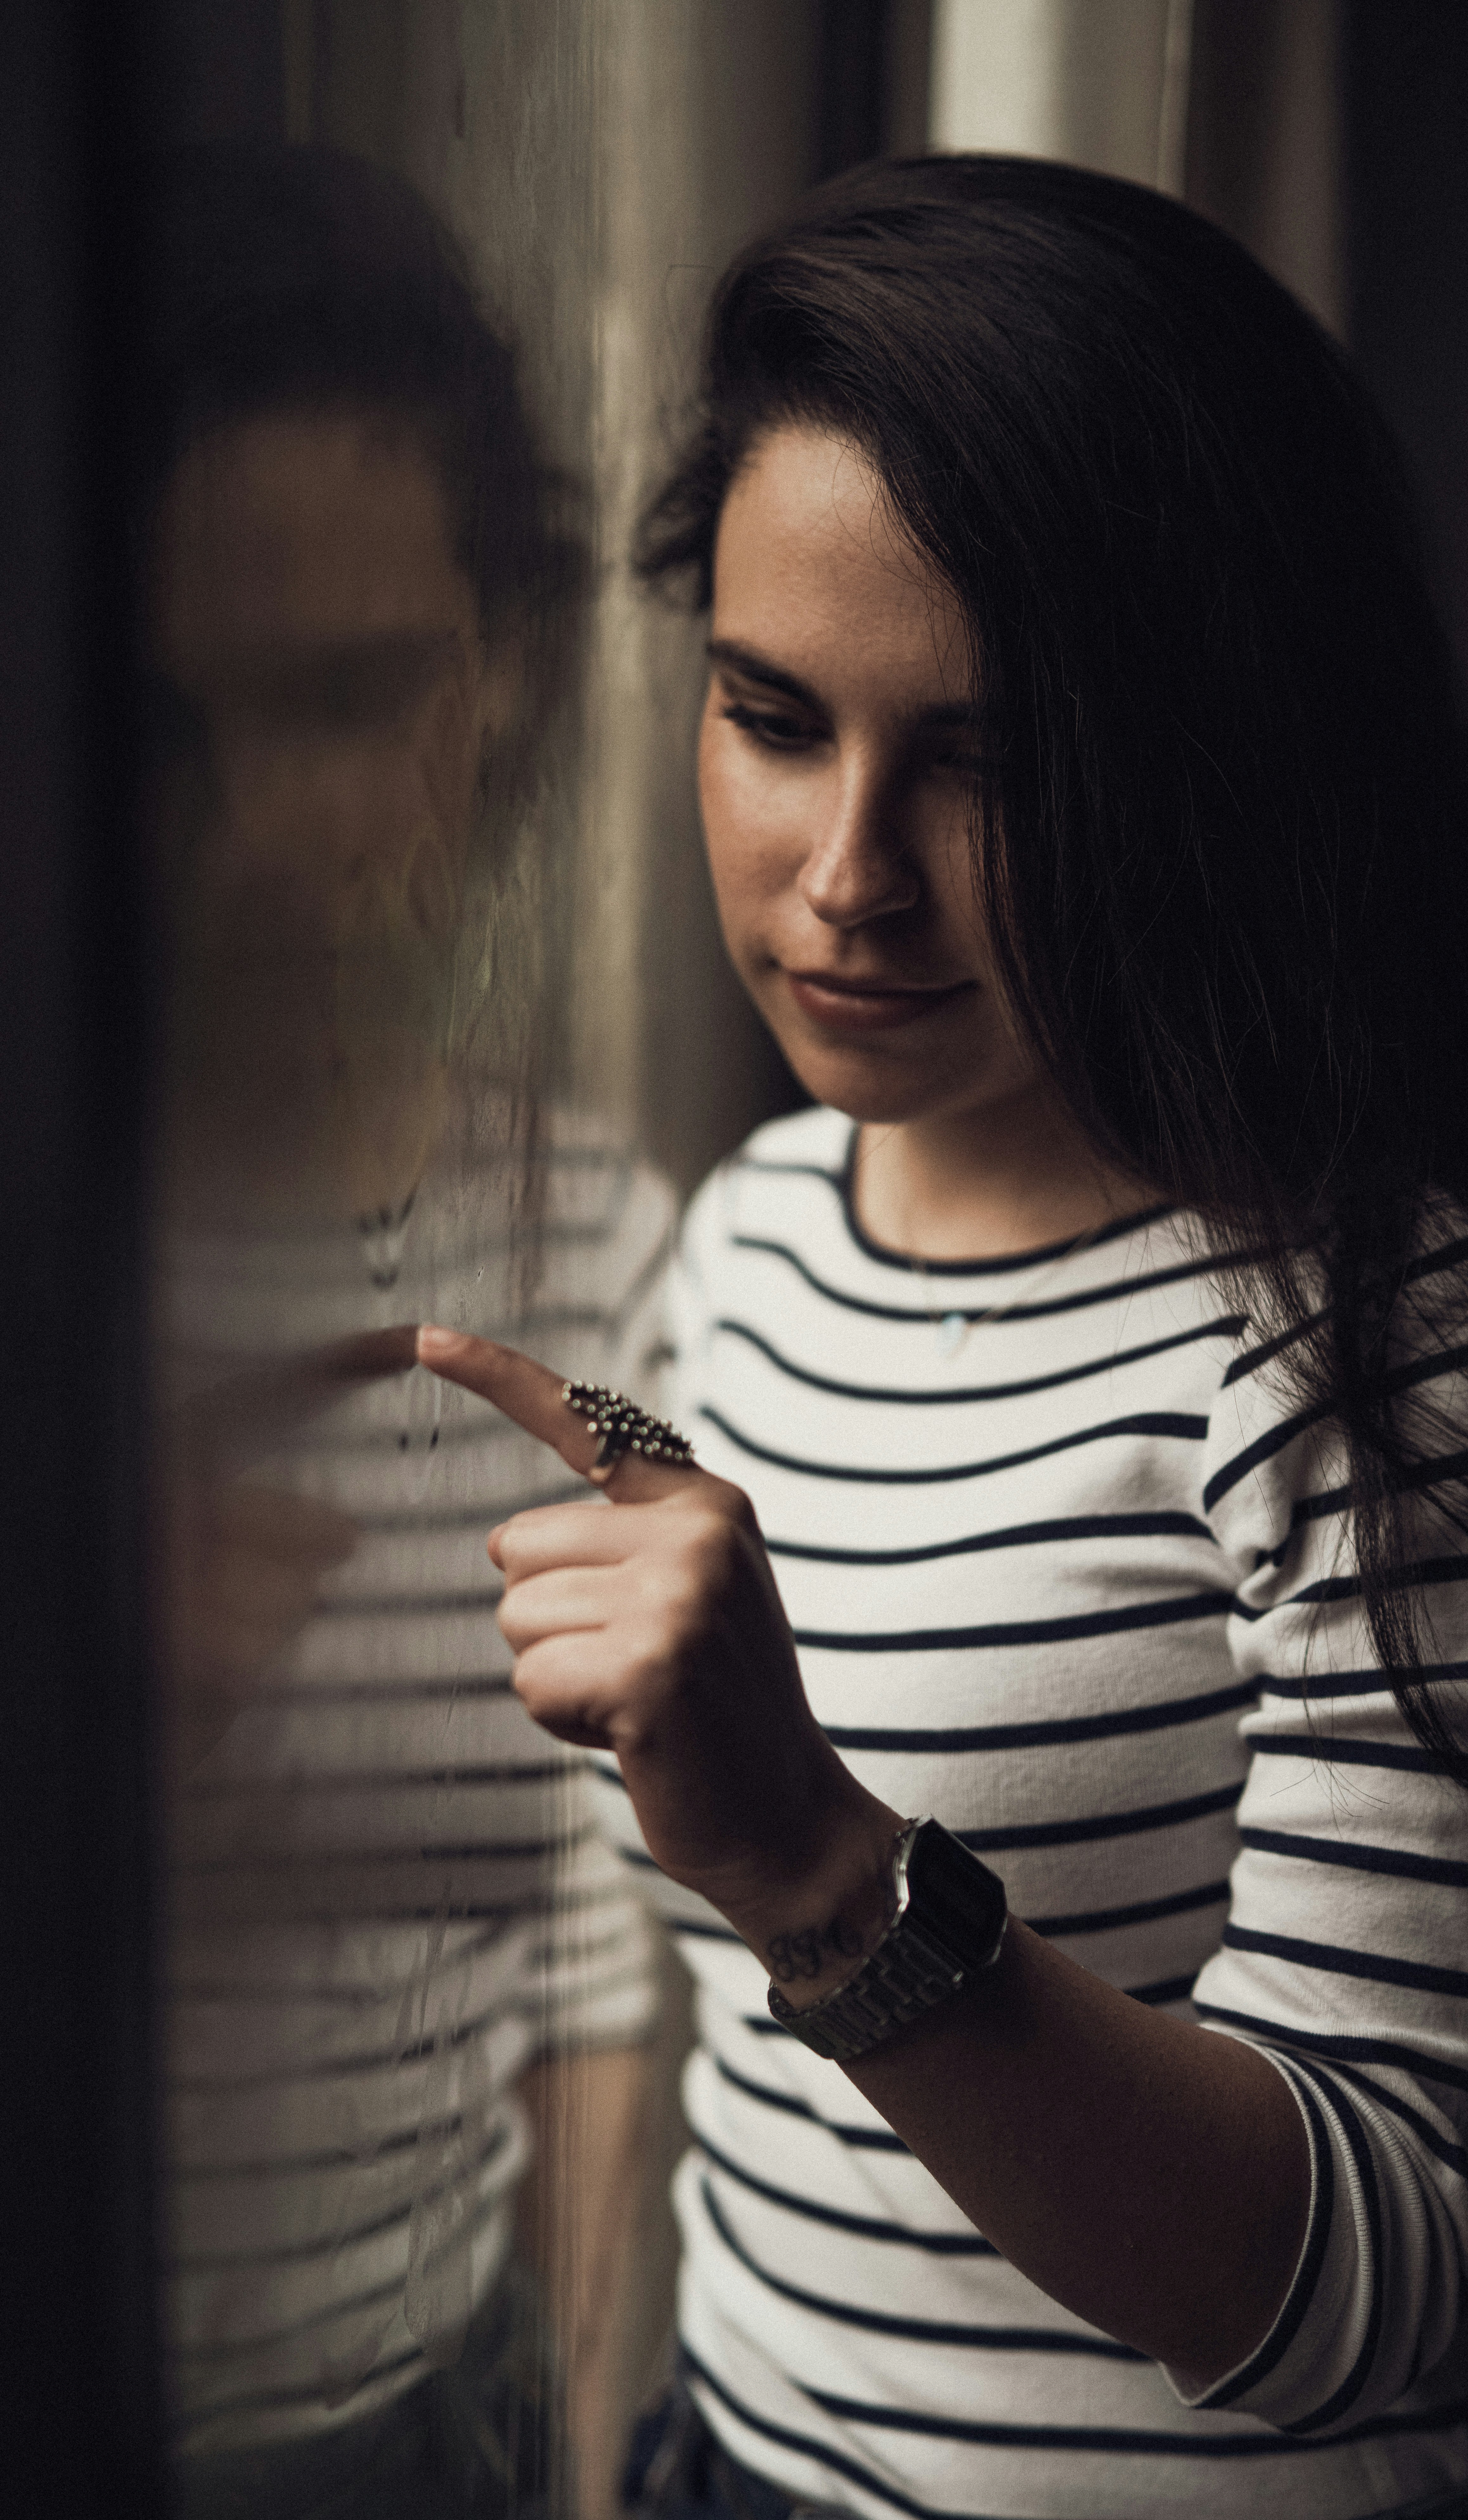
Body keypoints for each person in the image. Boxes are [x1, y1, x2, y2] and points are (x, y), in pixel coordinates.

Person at [424, 155, 1468, 2519]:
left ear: (1209, 755)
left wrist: (818, 1864)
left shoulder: (1412, 1353)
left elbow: (1363, 2282)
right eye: (772, 715)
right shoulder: (756, 1229)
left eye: (987, 761)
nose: (847, 872)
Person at [143, 146, 667, 2517]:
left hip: (432, 2425)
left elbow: (585, 1916)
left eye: (352, 700)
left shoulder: (605, 1255)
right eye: (171, 727)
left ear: (505, 683)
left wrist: (568, 2436)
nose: (259, 824)